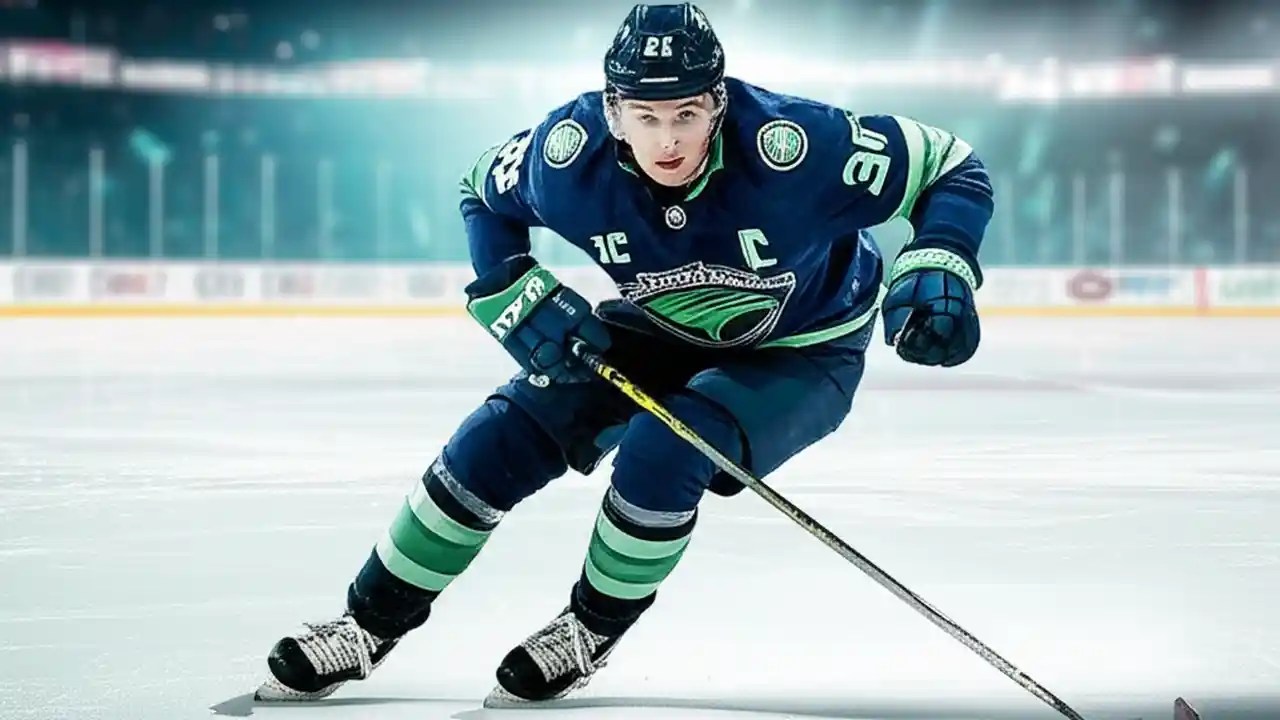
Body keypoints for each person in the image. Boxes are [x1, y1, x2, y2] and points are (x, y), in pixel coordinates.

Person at [255, 1, 993, 706]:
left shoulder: (799, 147)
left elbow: (952, 166)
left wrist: (942, 255)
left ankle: (589, 629)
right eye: (646, 116)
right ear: (613, 112)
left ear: (719, 104)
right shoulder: (566, 157)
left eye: (687, 115)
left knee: (664, 451)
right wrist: (507, 282)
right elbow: (482, 190)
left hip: (804, 349)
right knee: (499, 437)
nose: (668, 141)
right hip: (658, 325)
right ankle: (367, 624)